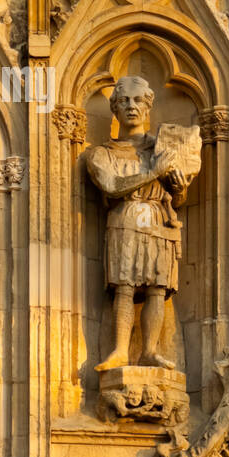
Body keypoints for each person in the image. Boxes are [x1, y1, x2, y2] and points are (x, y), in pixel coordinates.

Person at [84, 76, 191, 371]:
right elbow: (111, 186)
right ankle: (120, 350)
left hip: (158, 218)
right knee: (124, 286)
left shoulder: (164, 149)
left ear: (148, 106)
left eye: (138, 101)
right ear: (114, 109)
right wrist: (153, 172)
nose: (131, 106)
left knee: (158, 286)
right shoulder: (100, 153)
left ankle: (150, 351)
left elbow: (177, 199)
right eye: (124, 101)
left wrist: (178, 187)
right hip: (125, 218)